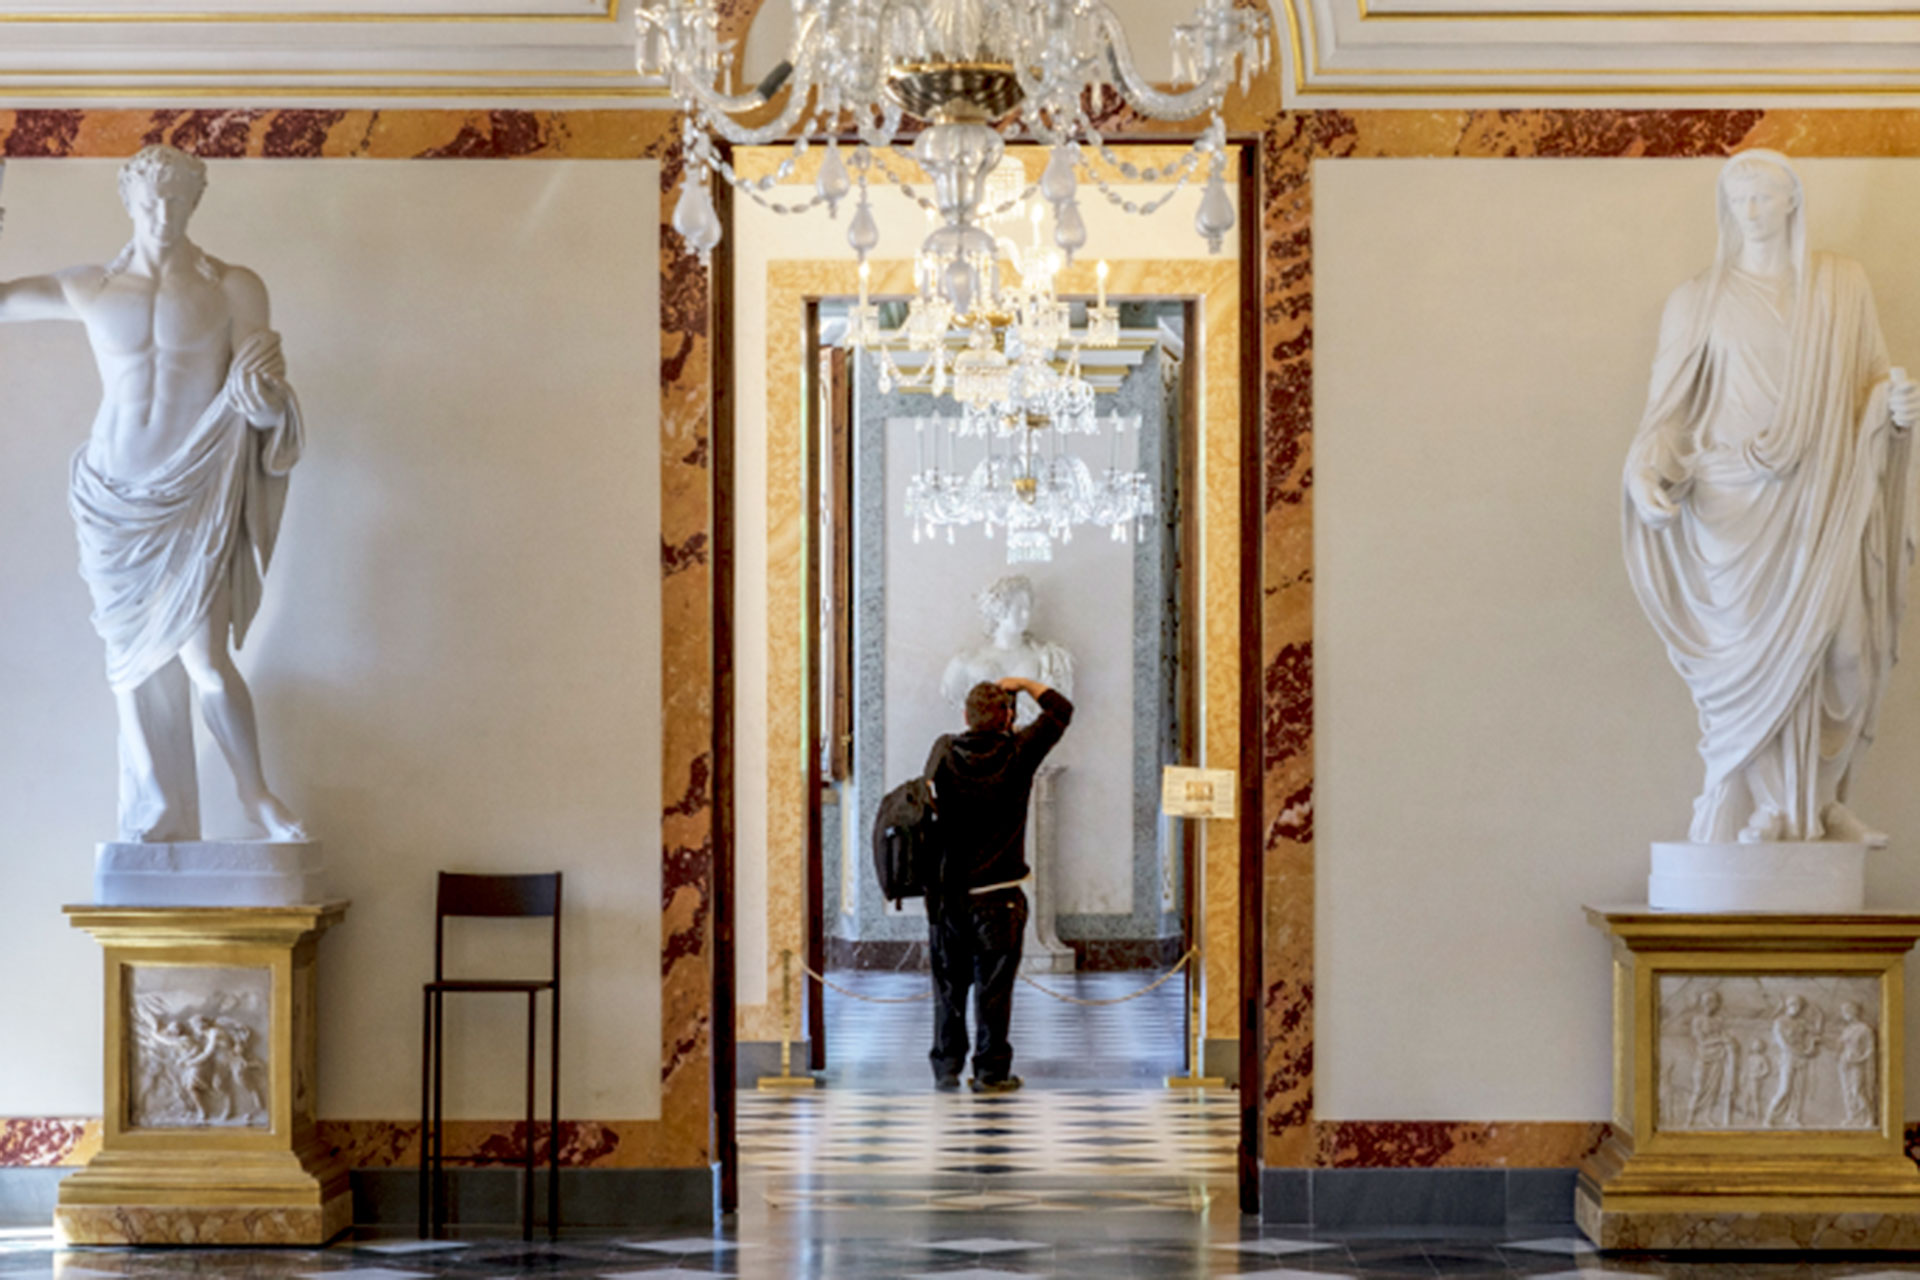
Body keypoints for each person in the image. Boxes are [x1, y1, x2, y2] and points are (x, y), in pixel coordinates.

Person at [0, 145, 305, 843]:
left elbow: (262, 401)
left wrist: (264, 405)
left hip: (194, 488)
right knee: (129, 665)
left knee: (205, 659)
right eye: (151, 201)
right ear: (129, 201)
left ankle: (255, 794)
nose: (164, 214)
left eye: (178, 201)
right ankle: (161, 808)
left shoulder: (234, 287)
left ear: (196, 202)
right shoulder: (91, 287)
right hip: (112, 498)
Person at [1624, 150, 1920, 847]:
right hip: (1734, 506)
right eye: (1739, 198)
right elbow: (1667, 411)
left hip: (1828, 495)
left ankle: (1820, 801)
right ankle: (1770, 810)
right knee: (1753, 666)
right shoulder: (1697, 300)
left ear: (1792, 202)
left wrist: (1894, 404)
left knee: (1847, 654)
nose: (1750, 210)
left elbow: (1871, 379)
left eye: (1763, 196)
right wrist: (1646, 472)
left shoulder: (1841, 287)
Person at [922, 673, 1073, 1092]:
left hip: (949, 896)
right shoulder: (1020, 752)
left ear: (966, 716)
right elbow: (1061, 710)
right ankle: (990, 1071)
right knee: (994, 991)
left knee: (948, 989)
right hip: (999, 898)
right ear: (1007, 717)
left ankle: (946, 1066)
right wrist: (1024, 683)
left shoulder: (944, 751)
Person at [940, 575, 1074, 729]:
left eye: (1028, 608)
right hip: (982, 749)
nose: (1026, 615)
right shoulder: (967, 661)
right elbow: (954, 694)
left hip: (1030, 746)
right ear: (999, 610)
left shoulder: (1049, 658)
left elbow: (1060, 707)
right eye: (1019, 609)